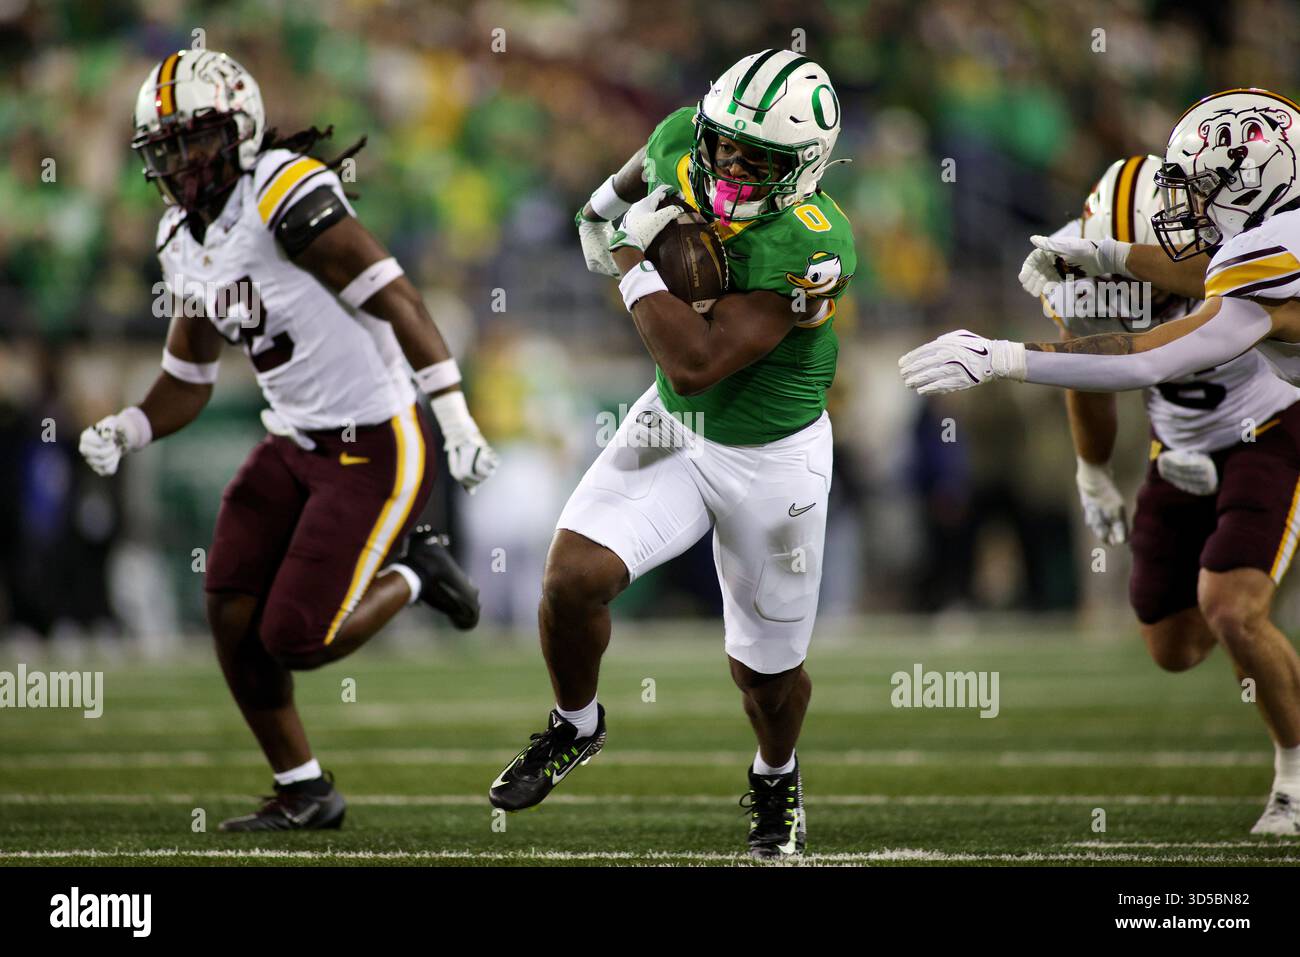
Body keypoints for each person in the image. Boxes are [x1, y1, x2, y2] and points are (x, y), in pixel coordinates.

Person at [79, 49, 497, 831]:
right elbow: (190, 376)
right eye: (164, 146)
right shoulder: (181, 236)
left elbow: (399, 297)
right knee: (231, 609)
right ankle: (304, 788)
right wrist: (129, 425)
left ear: (236, 129)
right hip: (294, 441)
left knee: (297, 636)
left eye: (192, 139)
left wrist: (457, 417)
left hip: (376, 438)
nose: (178, 161)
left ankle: (413, 571)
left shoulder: (284, 193)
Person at [900, 89, 1300, 835]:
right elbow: (1112, 359)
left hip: (1269, 427)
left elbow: (1149, 354)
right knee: (1174, 644)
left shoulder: (1261, 255)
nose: (1186, 217)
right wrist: (1090, 470)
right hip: (1178, 445)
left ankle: (1294, 778)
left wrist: (1002, 355)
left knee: (1229, 608)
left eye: (1199, 201)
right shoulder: (1127, 254)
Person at [488, 49, 856, 859]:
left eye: (758, 157)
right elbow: (602, 204)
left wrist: (628, 254)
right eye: (725, 144)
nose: (731, 164)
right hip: (673, 428)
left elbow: (696, 358)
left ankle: (776, 773)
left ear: (804, 168)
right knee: (571, 580)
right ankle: (576, 724)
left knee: (763, 677)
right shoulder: (675, 143)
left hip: (775, 459)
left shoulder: (812, 242)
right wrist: (604, 221)